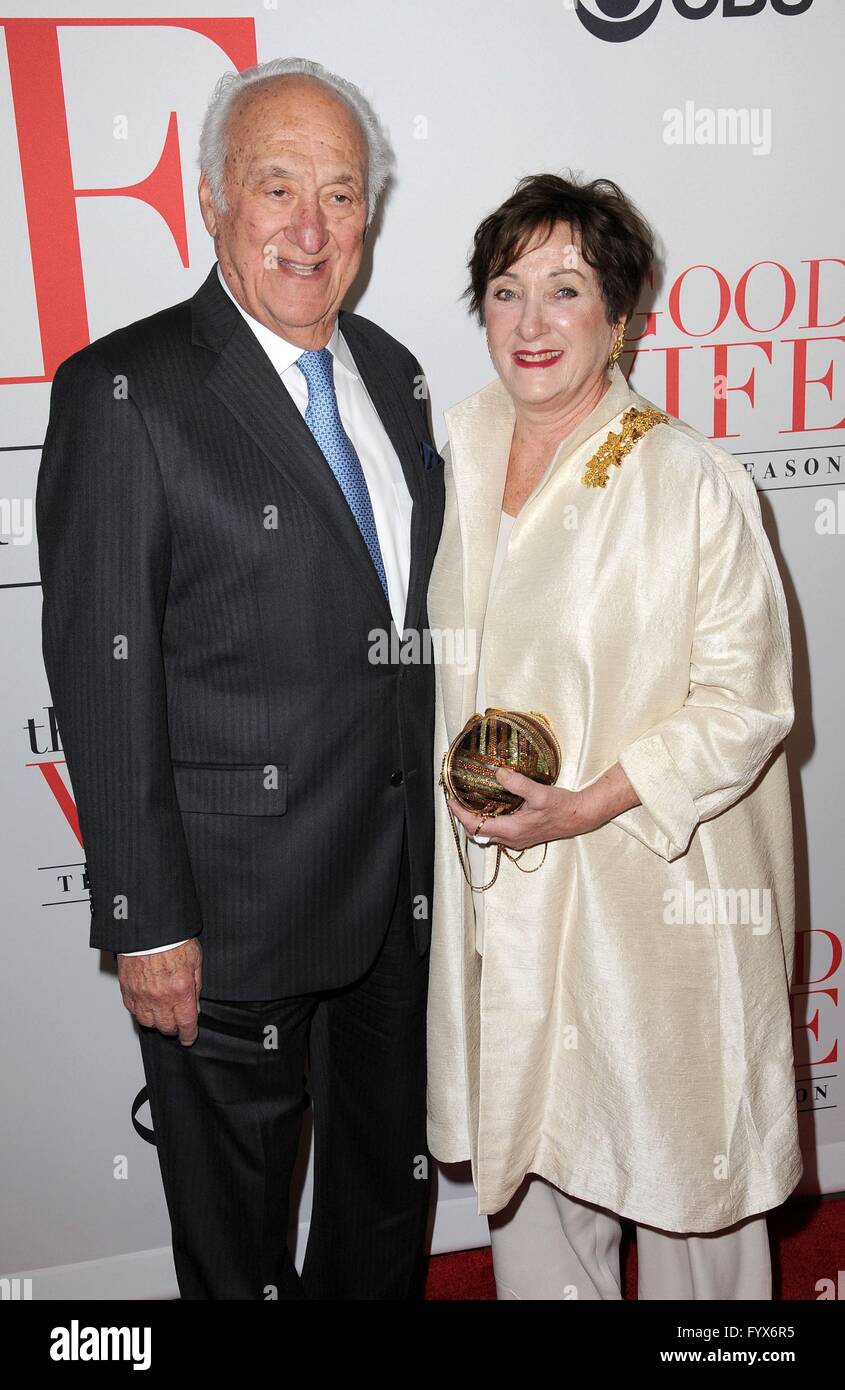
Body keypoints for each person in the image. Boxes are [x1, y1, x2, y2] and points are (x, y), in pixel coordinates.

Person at [36, 57, 444, 1300]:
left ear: (368, 217)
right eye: (277, 188)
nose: (309, 228)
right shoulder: (127, 390)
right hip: (226, 920)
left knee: (384, 1201)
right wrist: (147, 918)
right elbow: (102, 672)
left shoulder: (391, 369)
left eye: (338, 193)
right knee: (236, 1249)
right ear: (213, 200)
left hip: (397, 896)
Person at [426, 173, 802, 1300]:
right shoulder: (454, 460)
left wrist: (587, 802)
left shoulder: (688, 478)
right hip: (504, 890)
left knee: (686, 1186)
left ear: (619, 316)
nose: (531, 322)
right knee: (537, 1182)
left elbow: (747, 701)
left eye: (564, 289)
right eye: (505, 290)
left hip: (653, 899)